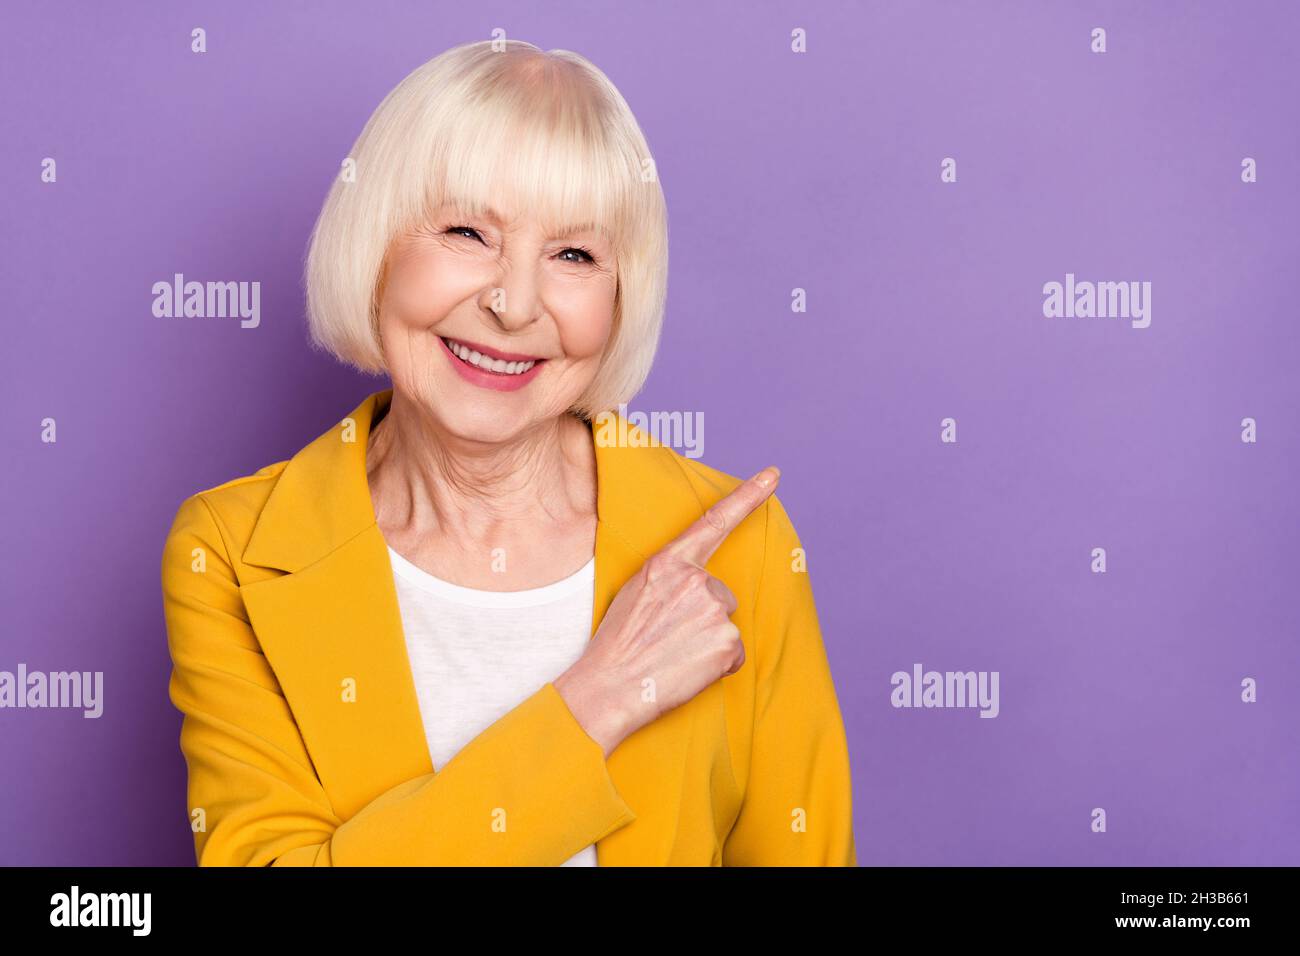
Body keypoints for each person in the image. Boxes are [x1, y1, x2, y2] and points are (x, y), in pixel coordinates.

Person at [161, 38, 855, 866]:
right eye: (465, 232)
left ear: (620, 296)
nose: (515, 304)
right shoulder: (230, 552)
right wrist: (595, 700)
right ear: (375, 244)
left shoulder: (740, 543)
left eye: (573, 255)